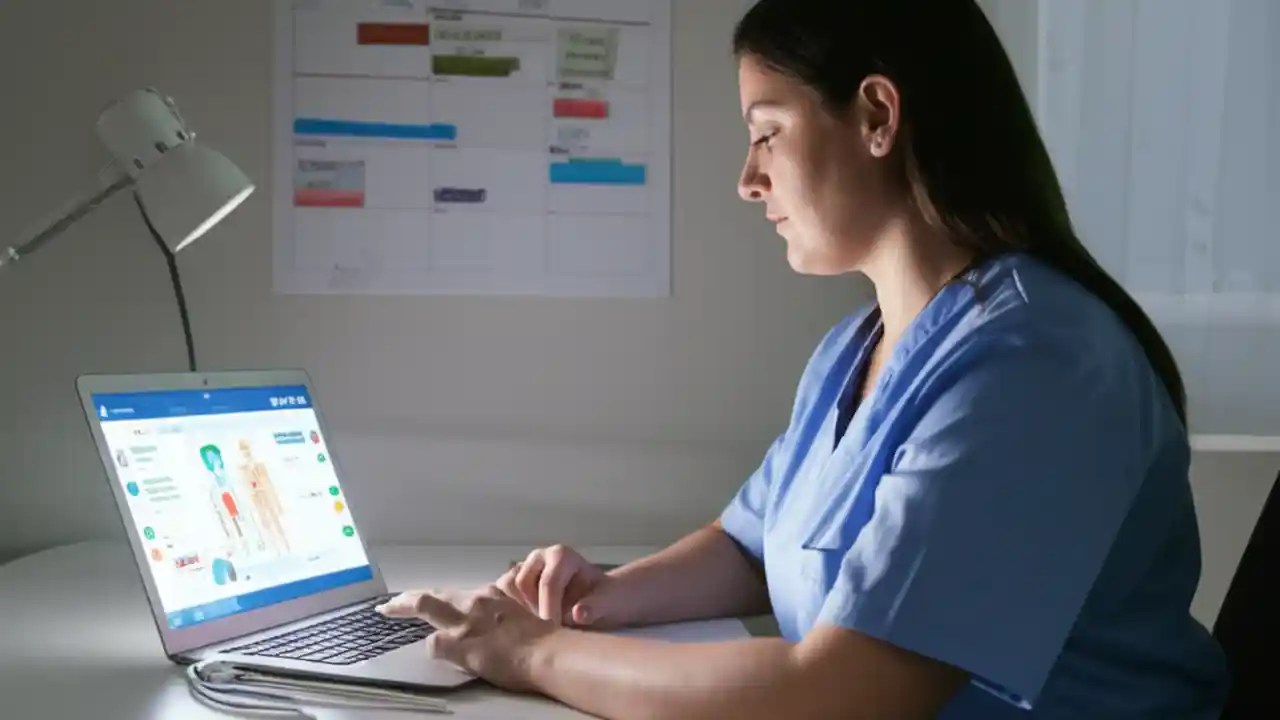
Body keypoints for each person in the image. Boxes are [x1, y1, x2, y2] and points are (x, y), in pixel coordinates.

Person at [377, 1, 1231, 717]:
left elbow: (842, 692)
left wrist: (533, 656)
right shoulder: (855, 350)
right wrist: (601, 595)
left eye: (767, 133)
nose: (748, 179)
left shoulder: (1034, 365)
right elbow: (754, 545)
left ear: (876, 117)